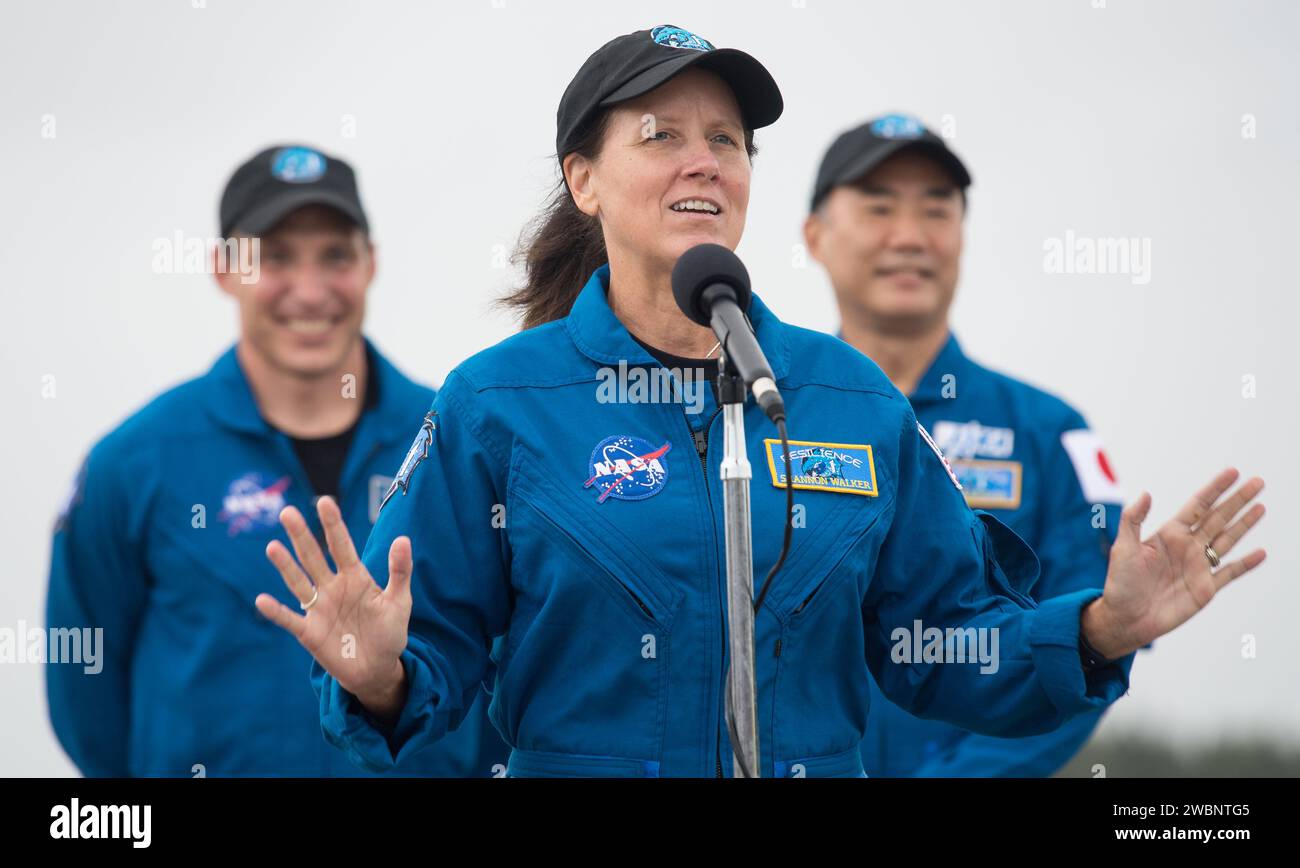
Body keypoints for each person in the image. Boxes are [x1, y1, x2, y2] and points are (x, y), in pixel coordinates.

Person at [253, 26, 1267, 778]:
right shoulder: (499, 405)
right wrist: (377, 677)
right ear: (585, 180)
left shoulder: (847, 397)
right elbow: (429, 681)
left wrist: (1093, 629)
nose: (703, 158)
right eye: (660, 135)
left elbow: (943, 649)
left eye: (727, 140)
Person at [46, 144, 510, 777]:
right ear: (222, 269)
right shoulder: (132, 463)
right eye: (276, 258)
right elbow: (86, 696)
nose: (310, 290)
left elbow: (508, 676)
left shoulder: (461, 441)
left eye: (335, 256)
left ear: (371, 265)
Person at [804, 114, 1150, 777]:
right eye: (879, 207)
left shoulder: (1051, 432)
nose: (910, 237)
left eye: (937, 211)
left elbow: (1084, 643)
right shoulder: (768, 419)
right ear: (813, 237)